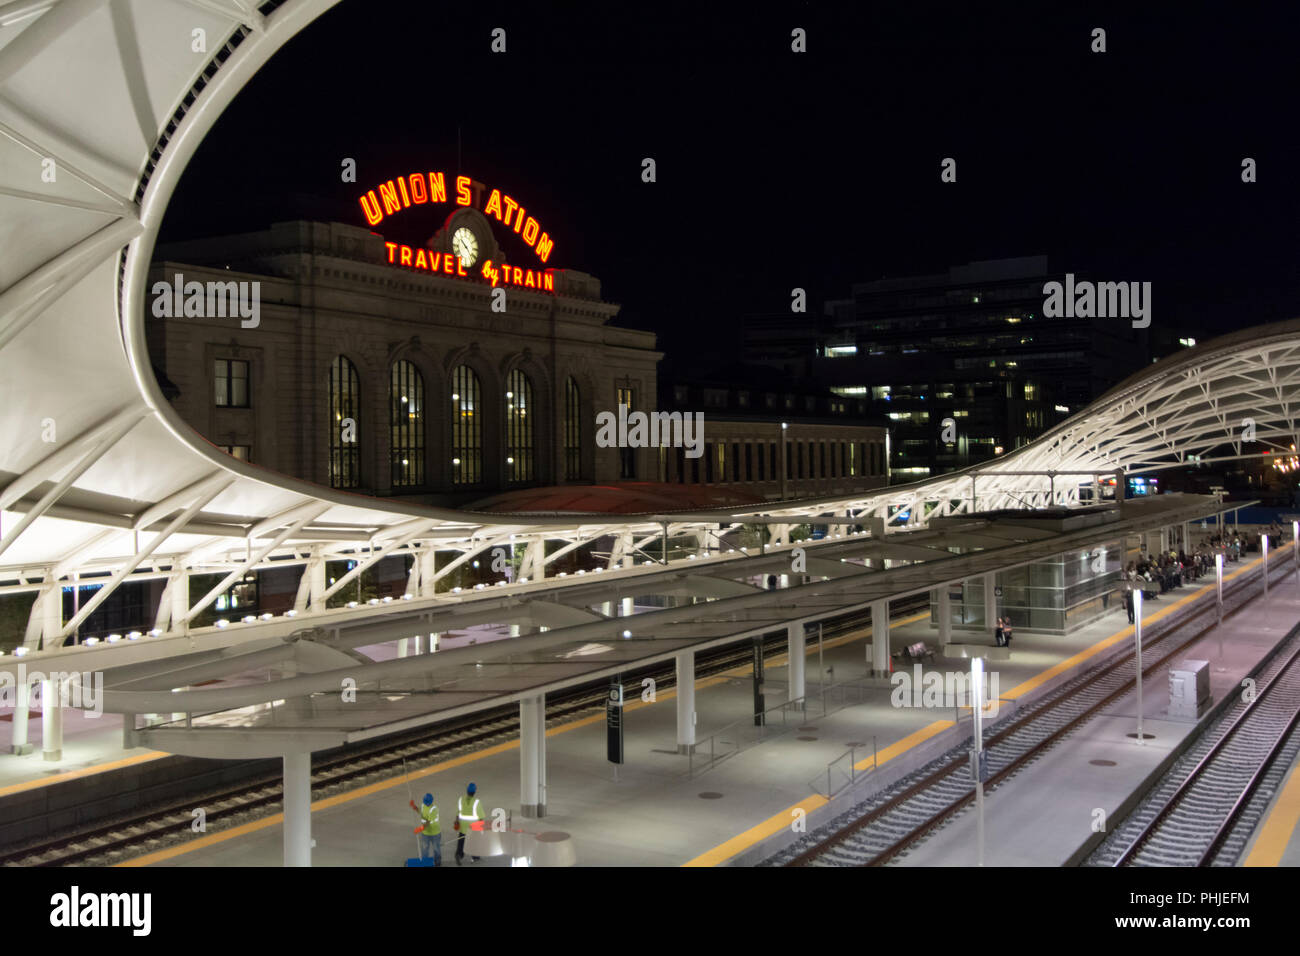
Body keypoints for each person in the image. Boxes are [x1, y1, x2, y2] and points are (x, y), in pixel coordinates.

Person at [455, 782, 484, 865]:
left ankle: (459, 855)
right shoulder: (477, 802)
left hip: (463, 826)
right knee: (474, 842)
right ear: (474, 792)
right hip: (473, 827)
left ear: (467, 791)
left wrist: (457, 822)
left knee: (461, 841)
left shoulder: (461, 799)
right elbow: (481, 817)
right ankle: (475, 857)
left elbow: (458, 813)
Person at [410, 793, 441, 866]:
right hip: (425, 833)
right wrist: (414, 807)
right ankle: (425, 862)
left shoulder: (434, 809)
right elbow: (420, 812)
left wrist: (420, 828)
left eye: (427, 803)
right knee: (424, 849)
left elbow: (428, 822)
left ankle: (438, 861)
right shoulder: (423, 805)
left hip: (435, 833)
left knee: (436, 849)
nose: (426, 804)